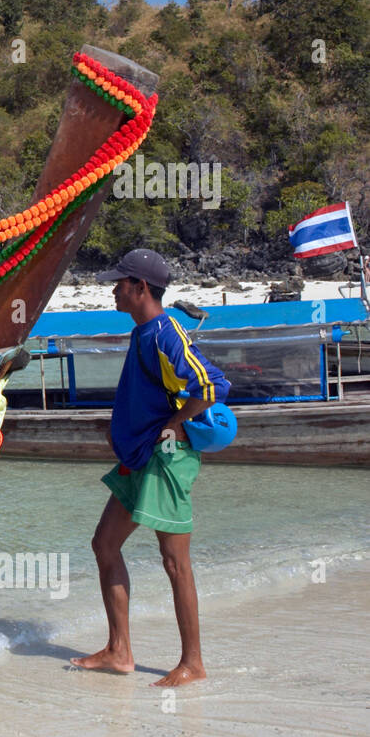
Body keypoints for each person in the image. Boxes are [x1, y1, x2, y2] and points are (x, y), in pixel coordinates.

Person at [71, 249, 230, 687]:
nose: (113, 289)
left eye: (120, 283)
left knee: (175, 563)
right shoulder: (144, 333)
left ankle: (193, 664)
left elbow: (212, 385)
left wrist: (174, 426)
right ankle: (119, 651)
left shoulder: (166, 332)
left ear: (141, 288)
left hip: (165, 460)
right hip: (138, 457)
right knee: (104, 545)